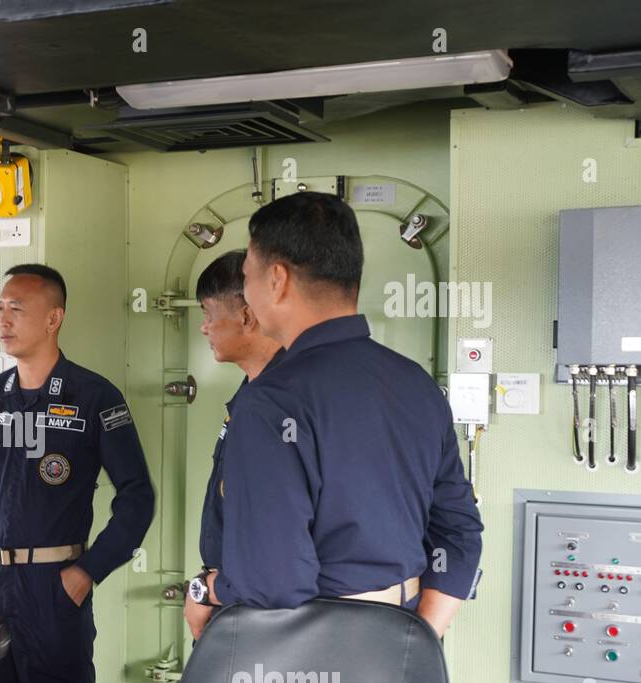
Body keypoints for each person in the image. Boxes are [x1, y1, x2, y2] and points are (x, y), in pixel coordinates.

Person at [198, 192, 482, 638]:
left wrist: (208, 589)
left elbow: (274, 582)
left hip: (304, 651)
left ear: (276, 280)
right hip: (403, 632)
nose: (248, 293)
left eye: (249, 275)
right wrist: (421, 639)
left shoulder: (272, 400)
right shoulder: (415, 382)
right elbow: (459, 531)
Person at [0, 263, 154, 683]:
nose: (3, 317)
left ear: (53, 318)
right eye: (0, 307)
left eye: (16, 308)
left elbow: (137, 496)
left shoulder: (95, 397)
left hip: (54, 592)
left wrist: (88, 571)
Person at [182, 250, 283, 641]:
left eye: (208, 314)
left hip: (265, 614)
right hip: (234, 598)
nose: (204, 328)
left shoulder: (284, 399)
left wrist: (206, 591)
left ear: (246, 315)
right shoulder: (251, 393)